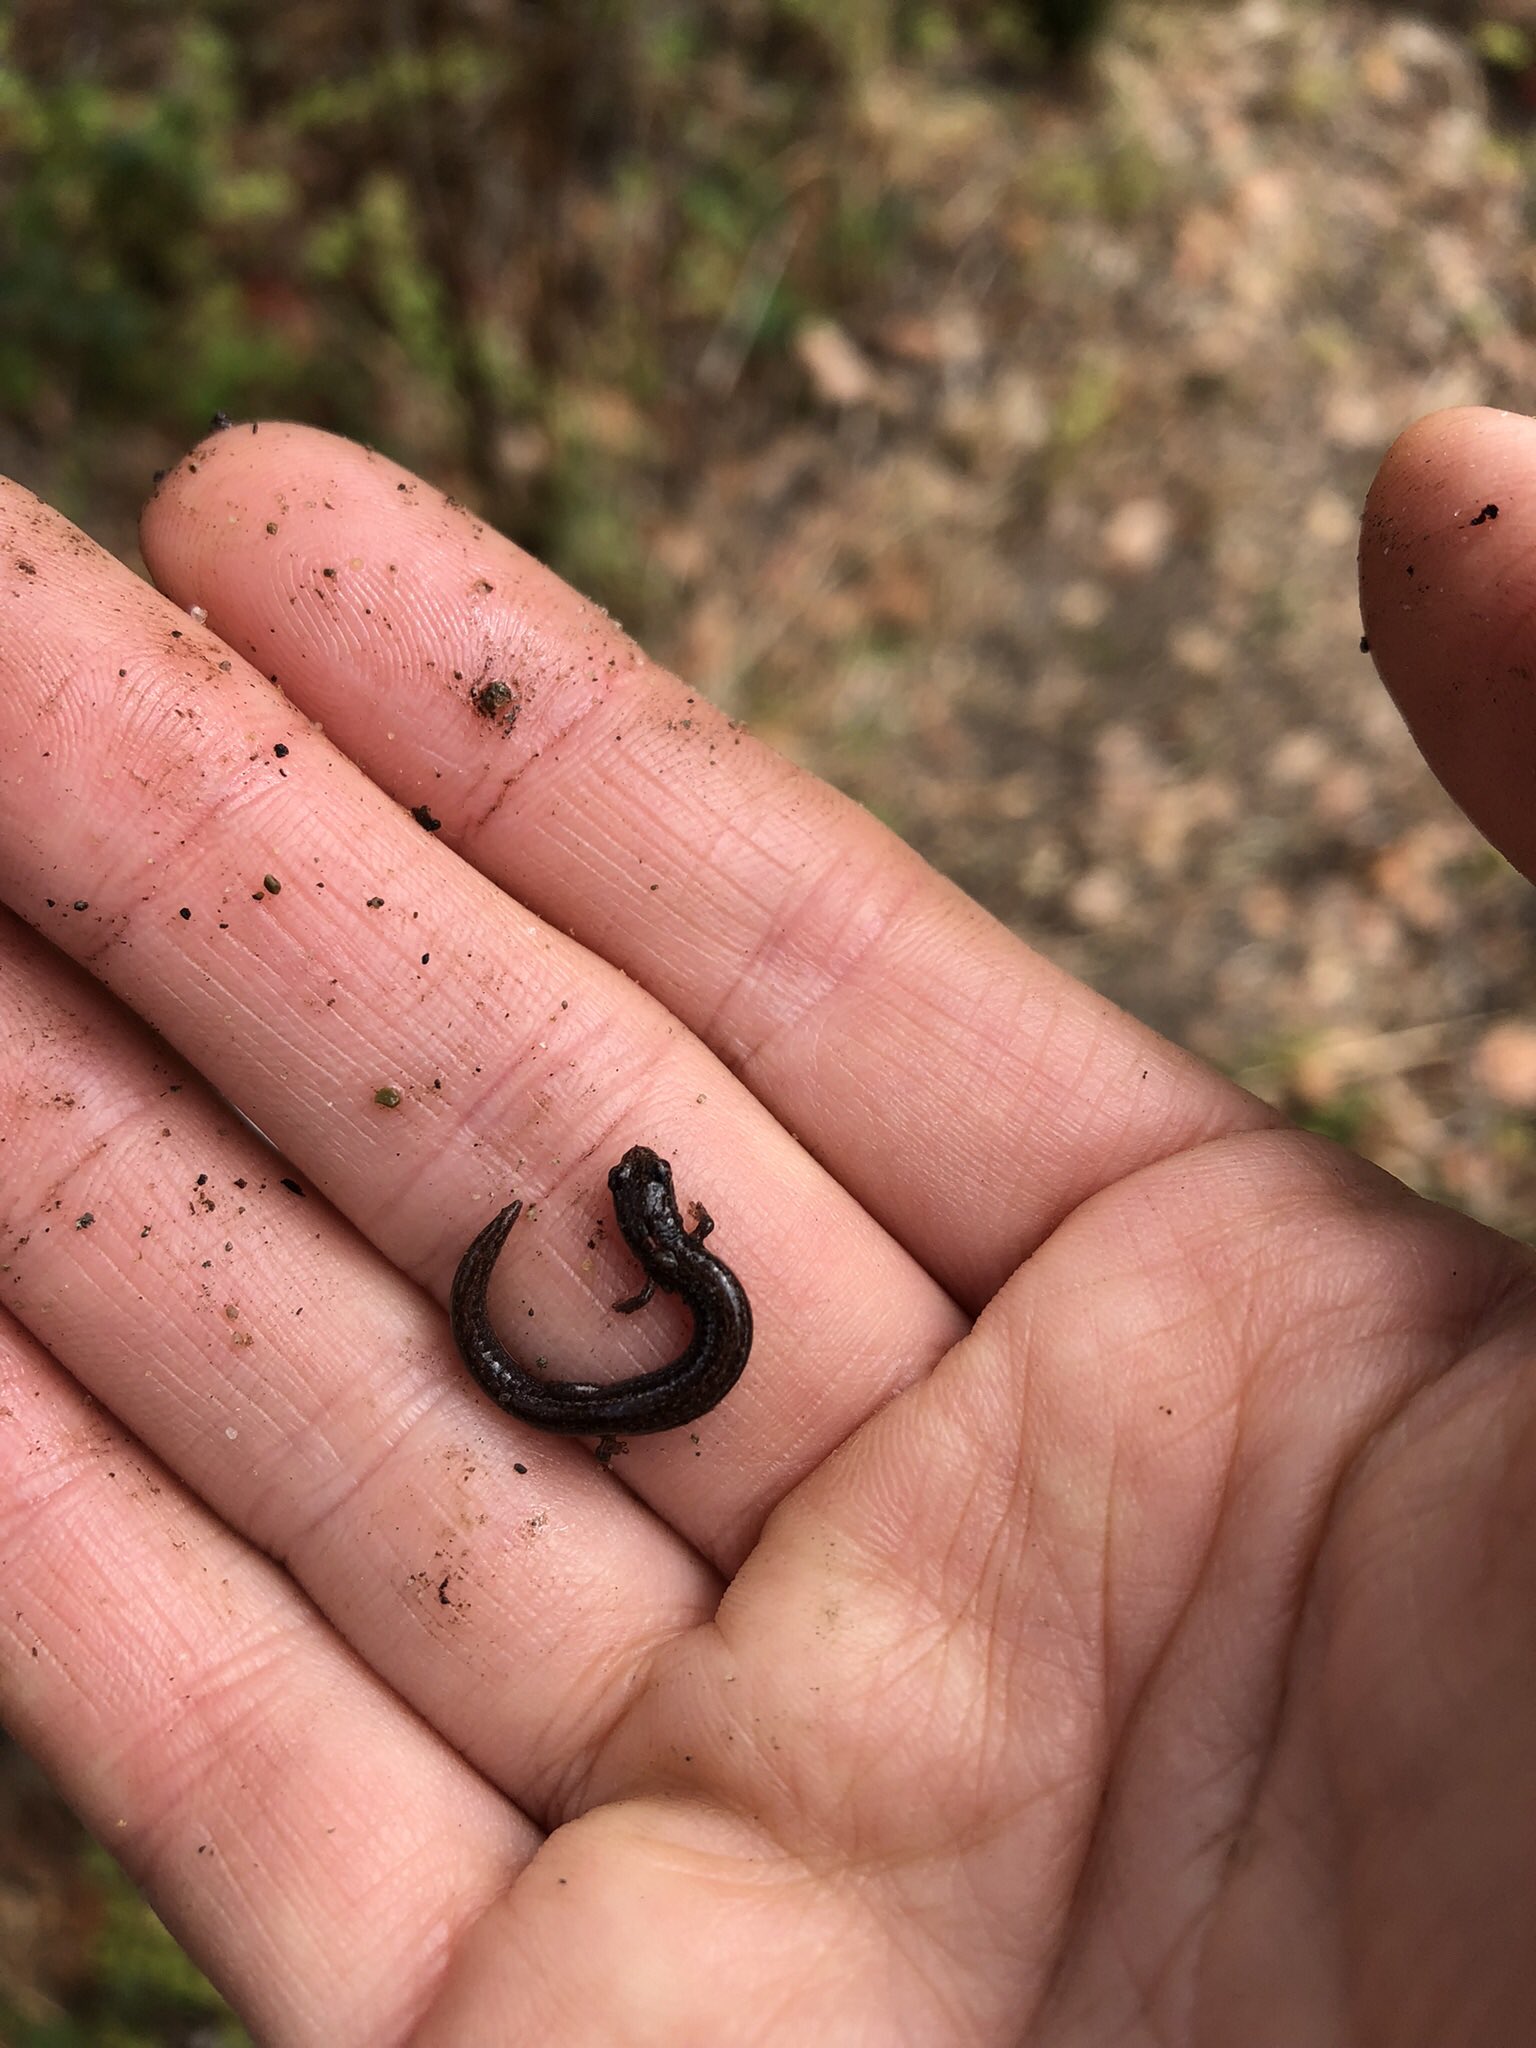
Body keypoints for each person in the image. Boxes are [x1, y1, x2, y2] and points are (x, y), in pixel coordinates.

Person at [0, 405, 1528, 2045]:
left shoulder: (685, 1290)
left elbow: (679, 1329)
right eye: (651, 1216)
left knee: (563, 1385)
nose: (648, 1216)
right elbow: (676, 1324)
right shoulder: (683, 1285)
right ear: (664, 1241)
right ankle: (539, 1379)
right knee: (565, 1384)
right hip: (618, 1396)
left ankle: (538, 1379)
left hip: (620, 1399)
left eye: (647, 1211)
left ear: (657, 1235)